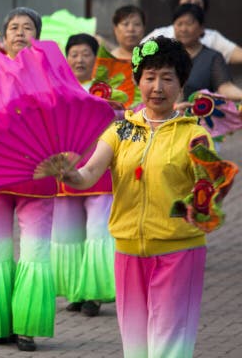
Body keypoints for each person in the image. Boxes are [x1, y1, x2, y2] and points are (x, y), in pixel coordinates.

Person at [58, 36, 221, 358]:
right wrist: (69, 173)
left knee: (169, 343)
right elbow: (88, 174)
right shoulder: (120, 130)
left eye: (167, 78)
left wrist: (204, 203)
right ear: (137, 81)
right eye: (149, 77)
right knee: (134, 344)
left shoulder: (195, 135)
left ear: (181, 84)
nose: (157, 87)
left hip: (179, 251)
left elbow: (210, 190)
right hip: (128, 249)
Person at [0, 7, 56, 352]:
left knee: (35, 252)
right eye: (13, 27)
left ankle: (29, 326)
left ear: (38, 36)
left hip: (39, 173)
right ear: (1, 38)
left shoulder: (52, 76)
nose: (19, 32)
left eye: (27, 27)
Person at [52, 33, 115, 317]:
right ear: (66, 58)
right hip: (64, 171)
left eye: (86, 53)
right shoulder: (55, 90)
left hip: (100, 172)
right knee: (67, 236)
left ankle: (95, 293)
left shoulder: (110, 91)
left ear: (95, 58)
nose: (79, 59)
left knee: (98, 234)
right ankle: (76, 291)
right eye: (74, 53)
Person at [145, 0, 242, 64]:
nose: (193, 7)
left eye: (198, 4)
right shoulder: (160, 35)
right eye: (188, 2)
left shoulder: (212, 38)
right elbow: (136, 57)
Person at [171, 3, 242, 101]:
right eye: (179, 24)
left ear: (201, 28)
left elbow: (225, 88)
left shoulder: (212, 58)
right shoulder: (166, 56)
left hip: (198, 114)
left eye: (189, 24)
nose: (183, 29)